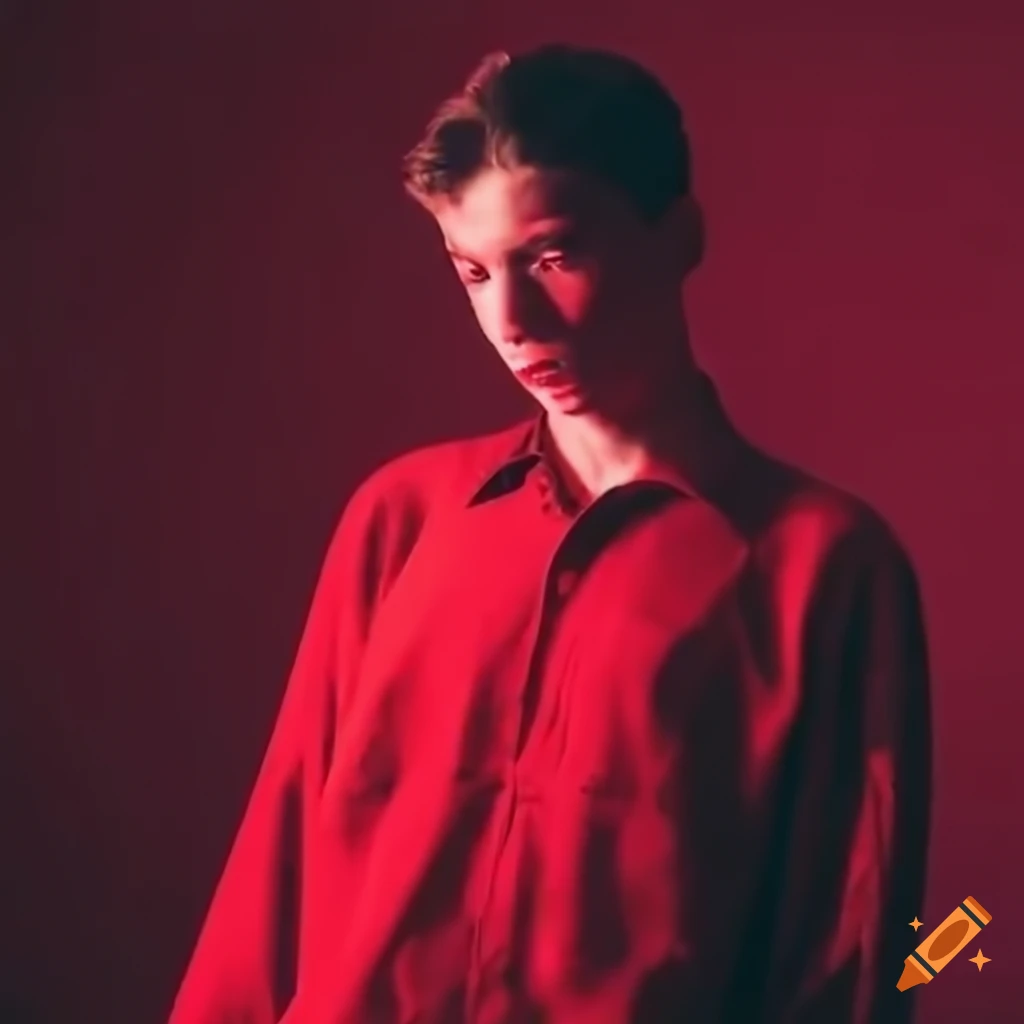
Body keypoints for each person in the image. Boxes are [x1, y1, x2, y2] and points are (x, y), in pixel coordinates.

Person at [168, 43, 931, 1024]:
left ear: (679, 236)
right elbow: (273, 871)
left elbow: (860, 950)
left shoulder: (826, 567)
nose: (511, 318)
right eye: (473, 270)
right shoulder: (400, 520)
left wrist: (947, 955)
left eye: (554, 257)